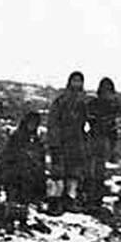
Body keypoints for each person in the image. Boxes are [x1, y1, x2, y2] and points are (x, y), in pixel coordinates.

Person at [45, 71, 89, 215]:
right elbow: (53, 122)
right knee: (57, 172)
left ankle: (70, 200)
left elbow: (86, 123)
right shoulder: (61, 101)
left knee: (74, 173)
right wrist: (54, 141)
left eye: (79, 81)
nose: (77, 84)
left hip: (76, 142)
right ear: (69, 82)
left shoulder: (83, 102)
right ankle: (54, 201)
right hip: (61, 140)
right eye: (74, 80)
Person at [0, 110, 45, 229]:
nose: (32, 126)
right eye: (31, 123)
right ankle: (8, 220)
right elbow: (7, 155)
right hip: (15, 173)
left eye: (35, 124)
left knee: (26, 197)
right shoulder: (16, 137)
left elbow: (40, 156)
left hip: (29, 174)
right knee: (13, 197)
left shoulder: (36, 140)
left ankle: (22, 220)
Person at [84, 76, 120, 207]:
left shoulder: (112, 107)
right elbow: (86, 122)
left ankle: (96, 199)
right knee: (89, 169)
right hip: (92, 139)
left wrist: (113, 145)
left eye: (109, 91)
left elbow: (113, 128)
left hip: (103, 141)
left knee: (99, 171)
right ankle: (87, 196)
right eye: (105, 91)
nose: (107, 94)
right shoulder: (92, 104)